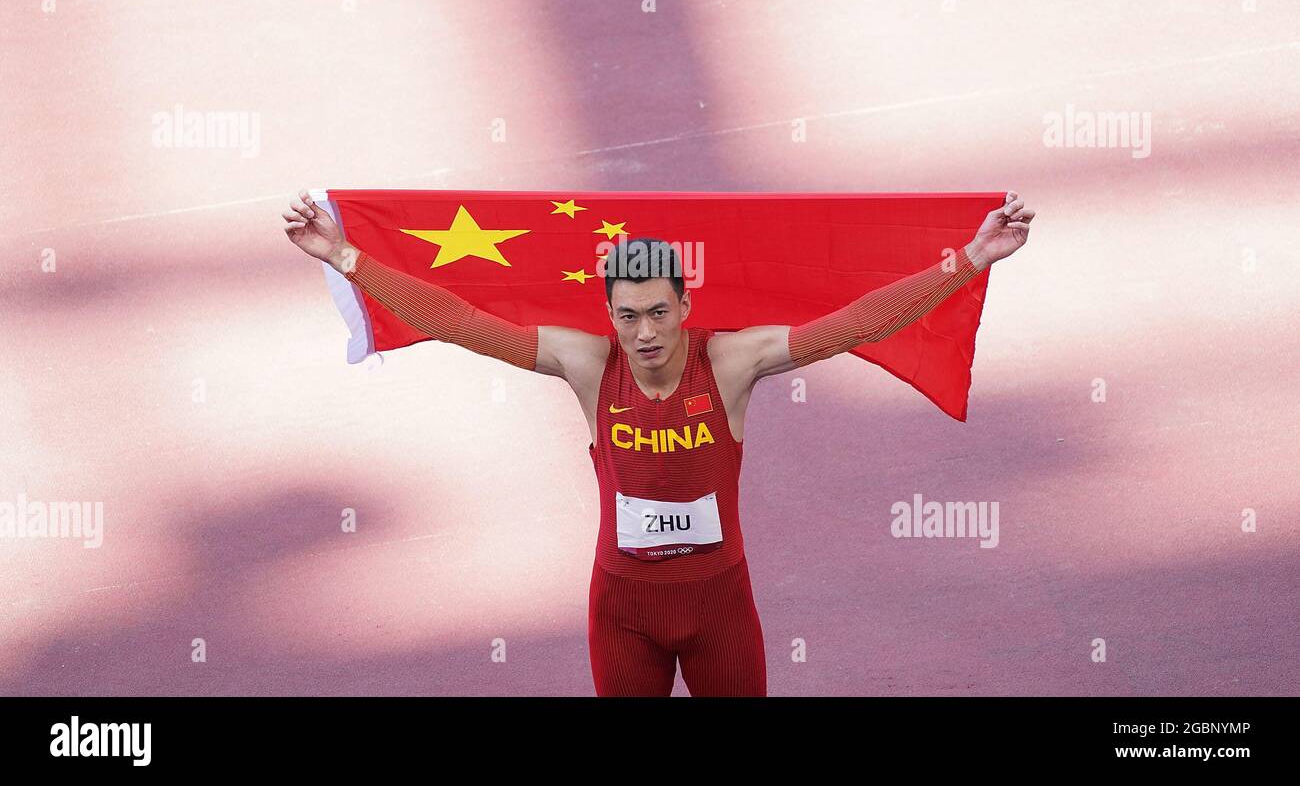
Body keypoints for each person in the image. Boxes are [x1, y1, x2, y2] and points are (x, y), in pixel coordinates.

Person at [283, 189, 1033, 695]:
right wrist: (340, 256)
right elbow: (453, 320)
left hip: (719, 610)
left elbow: (860, 323)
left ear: (686, 304)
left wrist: (972, 258)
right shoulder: (586, 364)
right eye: (627, 315)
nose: (643, 333)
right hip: (623, 611)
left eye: (657, 312)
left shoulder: (733, 363)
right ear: (608, 314)